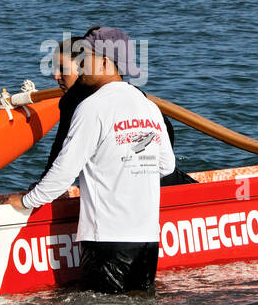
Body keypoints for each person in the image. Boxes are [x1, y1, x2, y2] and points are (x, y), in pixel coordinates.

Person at [8, 27, 176, 294]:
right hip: (147, 241)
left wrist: (27, 201)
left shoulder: (92, 107)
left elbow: (64, 171)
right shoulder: (148, 107)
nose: (80, 66)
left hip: (107, 240)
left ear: (106, 62)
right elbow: (166, 166)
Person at [39, 29, 194, 189]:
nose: (56, 76)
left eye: (62, 68)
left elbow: (61, 155)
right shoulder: (122, 90)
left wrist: (34, 194)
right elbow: (61, 152)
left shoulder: (78, 102)